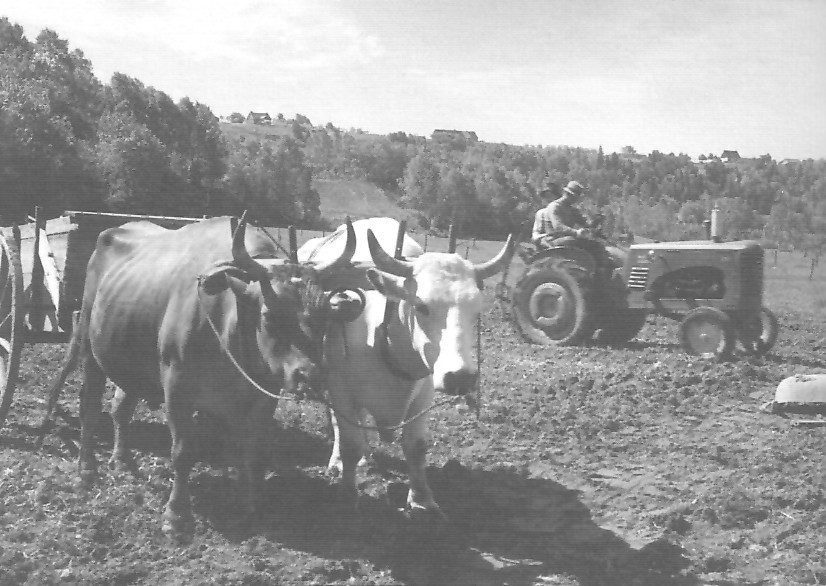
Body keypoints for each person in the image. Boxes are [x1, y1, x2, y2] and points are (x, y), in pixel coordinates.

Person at [532, 180, 589, 247]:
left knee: (594, 245)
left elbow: (585, 224)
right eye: (573, 197)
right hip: (552, 240)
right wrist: (576, 232)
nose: (575, 200)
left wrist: (594, 224)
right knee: (572, 241)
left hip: (566, 239)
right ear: (566, 193)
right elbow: (558, 227)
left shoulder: (573, 210)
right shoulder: (554, 206)